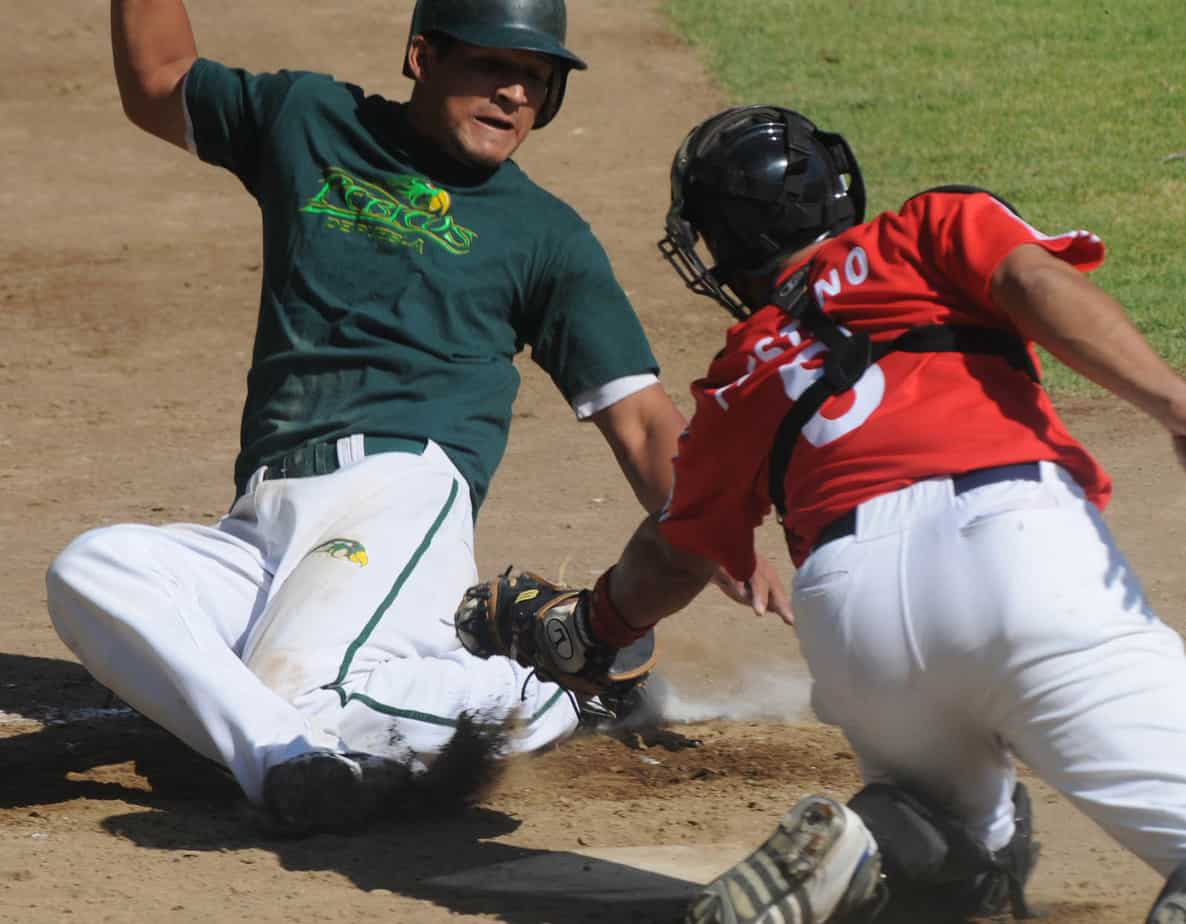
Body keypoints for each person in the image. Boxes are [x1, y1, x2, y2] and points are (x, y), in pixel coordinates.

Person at [44, 1, 789, 837]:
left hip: (396, 497)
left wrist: (711, 517)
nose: (515, 94)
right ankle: (340, 736)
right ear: (421, 55)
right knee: (93, 570)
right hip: (264, 523)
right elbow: (157, 83)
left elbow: (642, 419)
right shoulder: (311, 122)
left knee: (297, 687)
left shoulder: (545, 235)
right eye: (491, 67)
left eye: (537, 80)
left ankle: (525, 697)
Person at [454, 104, 1186, 923]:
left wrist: (593, 626)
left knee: (961, 848)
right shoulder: (926, 227)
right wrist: (1173, 401)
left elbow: (676, 554)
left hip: (853, 612)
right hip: (1018, 549)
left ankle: (866, 844)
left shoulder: (740, 373)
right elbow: (1033, 281)